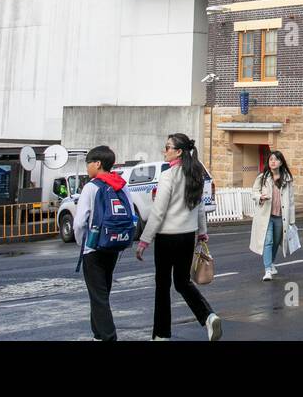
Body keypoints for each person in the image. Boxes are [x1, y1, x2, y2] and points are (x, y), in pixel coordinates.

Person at [136, 133, 221, 342]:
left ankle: (161, 334)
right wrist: (202, 233)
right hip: (187, 236)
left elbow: (158, 211)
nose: (164, 151)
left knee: (163, 286)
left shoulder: (169, 175)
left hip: (167, 238)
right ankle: (208, 316)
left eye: (167, 147)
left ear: (179, 151)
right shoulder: (195, 175)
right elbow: (200, 208)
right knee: (182, 282)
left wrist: (144, 240)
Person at [74, 145, 132, 341]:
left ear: (98, 164)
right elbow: (131, 214)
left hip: (94, 248)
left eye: (88, 163)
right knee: (101, 293)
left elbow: (80, 222)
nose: (87, 167)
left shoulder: (91, 187)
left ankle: (108, 337)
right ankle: (98, 335)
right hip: (114, 245)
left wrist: (82, 243)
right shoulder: (122, 185)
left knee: (98, 297)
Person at [250, 151, 296, 281]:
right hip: (266, 216)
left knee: (276, 242)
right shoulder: (263, 177)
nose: (273, 162)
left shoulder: (287, 178)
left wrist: (292, 220)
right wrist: (260, 197)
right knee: (268, 241)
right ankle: (268, 270)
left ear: (281, 162)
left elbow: (291, 200)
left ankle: (271, 263)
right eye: (271, 160)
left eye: (276, 160)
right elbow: (254, 192)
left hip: (281, 216)